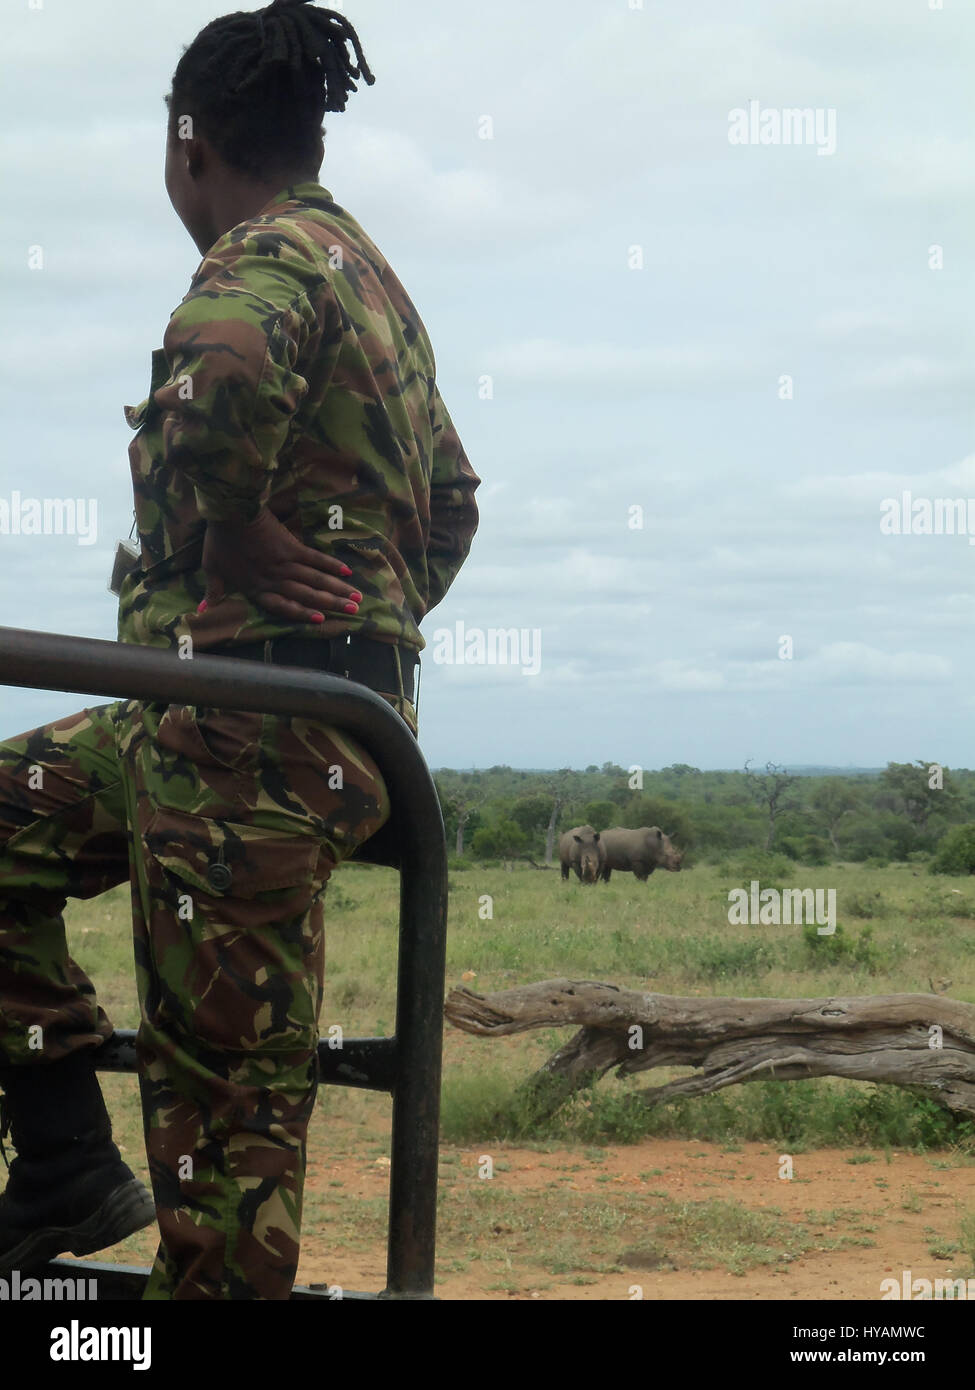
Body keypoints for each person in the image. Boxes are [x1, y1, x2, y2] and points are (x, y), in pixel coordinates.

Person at [0, 0, 479, 1300]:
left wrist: (243, 528)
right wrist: (360, 643)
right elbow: (452, 504)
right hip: (274, 726)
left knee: (223, 1163)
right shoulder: (381, 287)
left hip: (247, 755)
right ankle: (58, 1154)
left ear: (186, 141)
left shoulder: (254, 260)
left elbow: (216, 375)